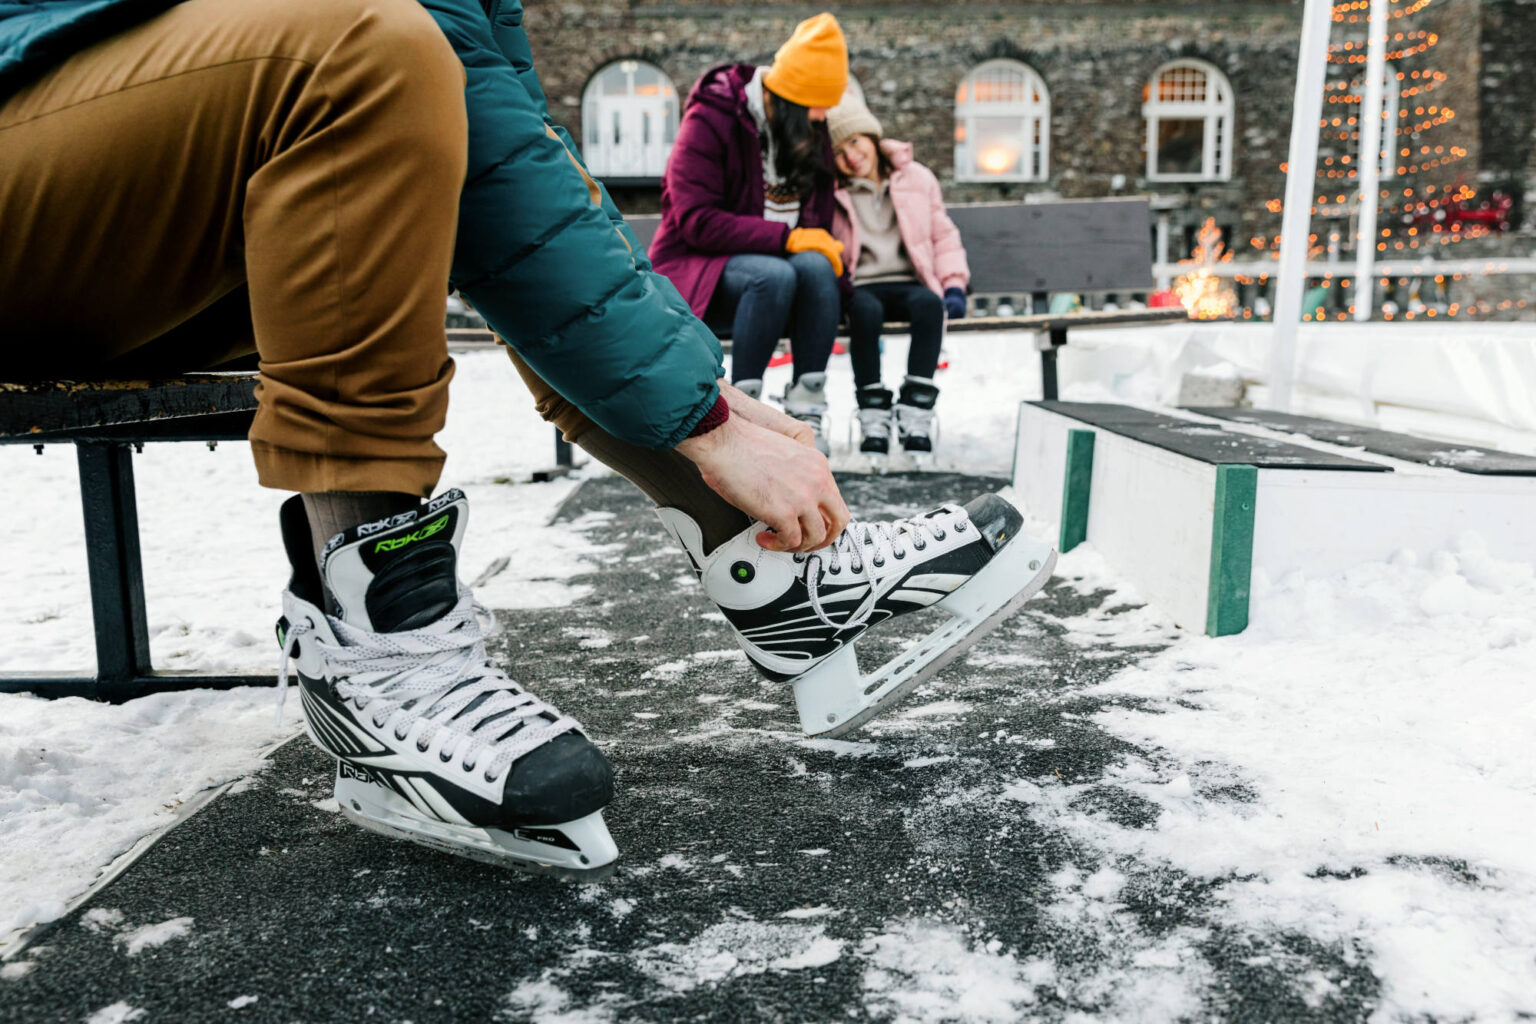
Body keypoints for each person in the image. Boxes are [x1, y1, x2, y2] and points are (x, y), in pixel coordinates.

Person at [0, 0, 1053, 879]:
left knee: (441, 120)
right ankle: (379, 644)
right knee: (365, 58)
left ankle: (765, 565)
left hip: (152, 181)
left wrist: (703, 413)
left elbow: (510, 158)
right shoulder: (714, 116)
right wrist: (705, 412)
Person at [648, 13, 851, 454]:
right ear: (787, 99)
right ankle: (743, 408)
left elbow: (816, 227)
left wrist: (823, 260)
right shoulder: (713, 116)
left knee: (817, 266)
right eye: (817, 105)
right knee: (773, 273)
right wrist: (787, 238)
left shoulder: (807, 128)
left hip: (782, 280)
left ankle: (808, 403)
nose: (824, 116)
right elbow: (695, 219)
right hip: (702, 268)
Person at [826, 96, 971, 465]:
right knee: (863, 312)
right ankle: (873, 414)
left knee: (928, 306)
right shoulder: (832, 192)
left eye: (855, 142)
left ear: (872, 137)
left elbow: (943, 235)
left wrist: (953, 284)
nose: (851, 156)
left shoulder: (917, 179)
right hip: (862, 284)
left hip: (910, 279)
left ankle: (915, 411)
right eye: (839, 151)